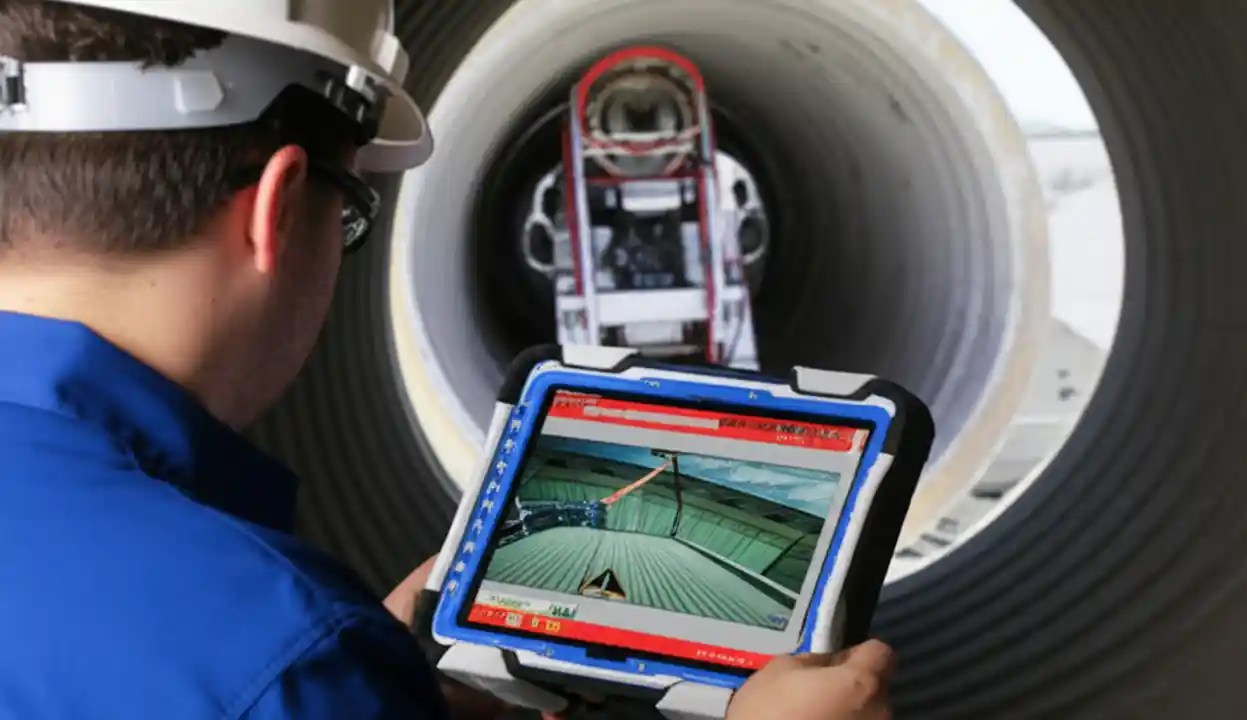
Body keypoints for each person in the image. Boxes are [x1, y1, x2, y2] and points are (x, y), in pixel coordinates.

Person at [0, 1, 896, 718]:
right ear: (273, 209)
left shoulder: (290, 651)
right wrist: (336, 674)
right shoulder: (278, 659)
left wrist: (379, 677)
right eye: (351, 208)